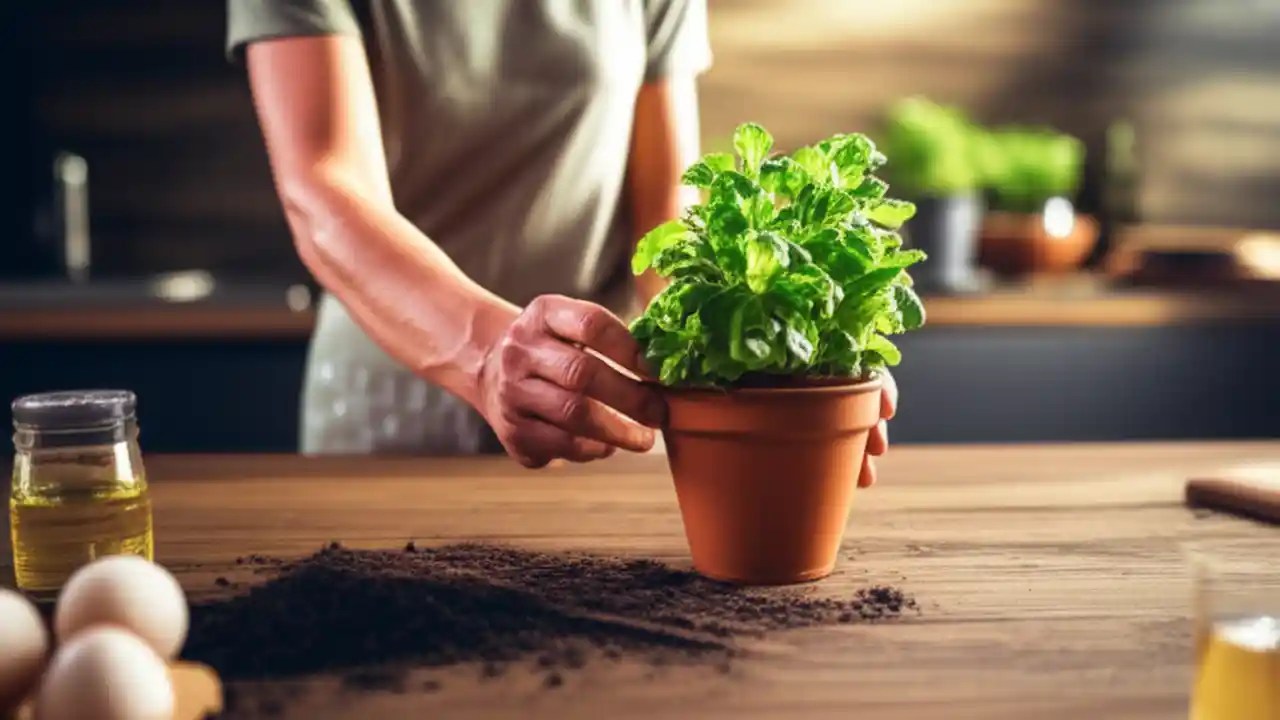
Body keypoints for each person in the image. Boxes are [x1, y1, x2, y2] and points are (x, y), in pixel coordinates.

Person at [227, 0, 897, 482]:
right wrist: (490, 354)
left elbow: (667, 211)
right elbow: (323, 188)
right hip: (390, 406)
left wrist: (769, 361)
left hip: (604, 404)